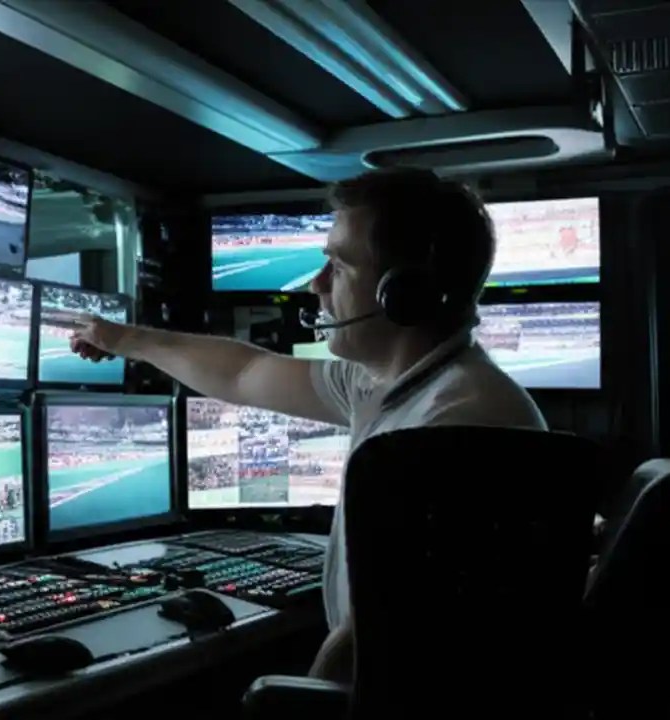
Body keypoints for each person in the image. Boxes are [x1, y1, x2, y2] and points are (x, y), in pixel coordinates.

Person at [68, 168, 546, 683]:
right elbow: (243, 372)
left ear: (405, 293)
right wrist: (123, 339)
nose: (316, 283)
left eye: (338, 266)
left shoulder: (457, 424)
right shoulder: (387, 385)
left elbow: (372, 634)